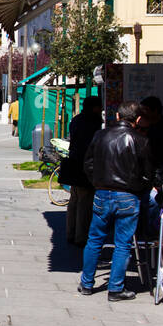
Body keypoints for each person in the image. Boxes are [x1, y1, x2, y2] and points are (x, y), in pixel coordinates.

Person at [79, 100, 154, 300]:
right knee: (122, 243)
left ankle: (86, 283)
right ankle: (115, 287)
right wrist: (138, 187)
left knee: (94, 240)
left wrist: (97, 182)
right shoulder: (140, 140)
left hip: (102, 192)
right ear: (138, 119)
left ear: (118, 116)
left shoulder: (101, 135)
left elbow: (88, 164)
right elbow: (148, 174)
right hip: (128, 195)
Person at [62, 96, 104, 246]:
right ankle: (80, 236)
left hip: (74, 162)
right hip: (85, 165)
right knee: (84, 203)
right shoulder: (93, 122)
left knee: (74, 200)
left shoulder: (76, 120)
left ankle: (70, 232)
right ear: (94, 108)